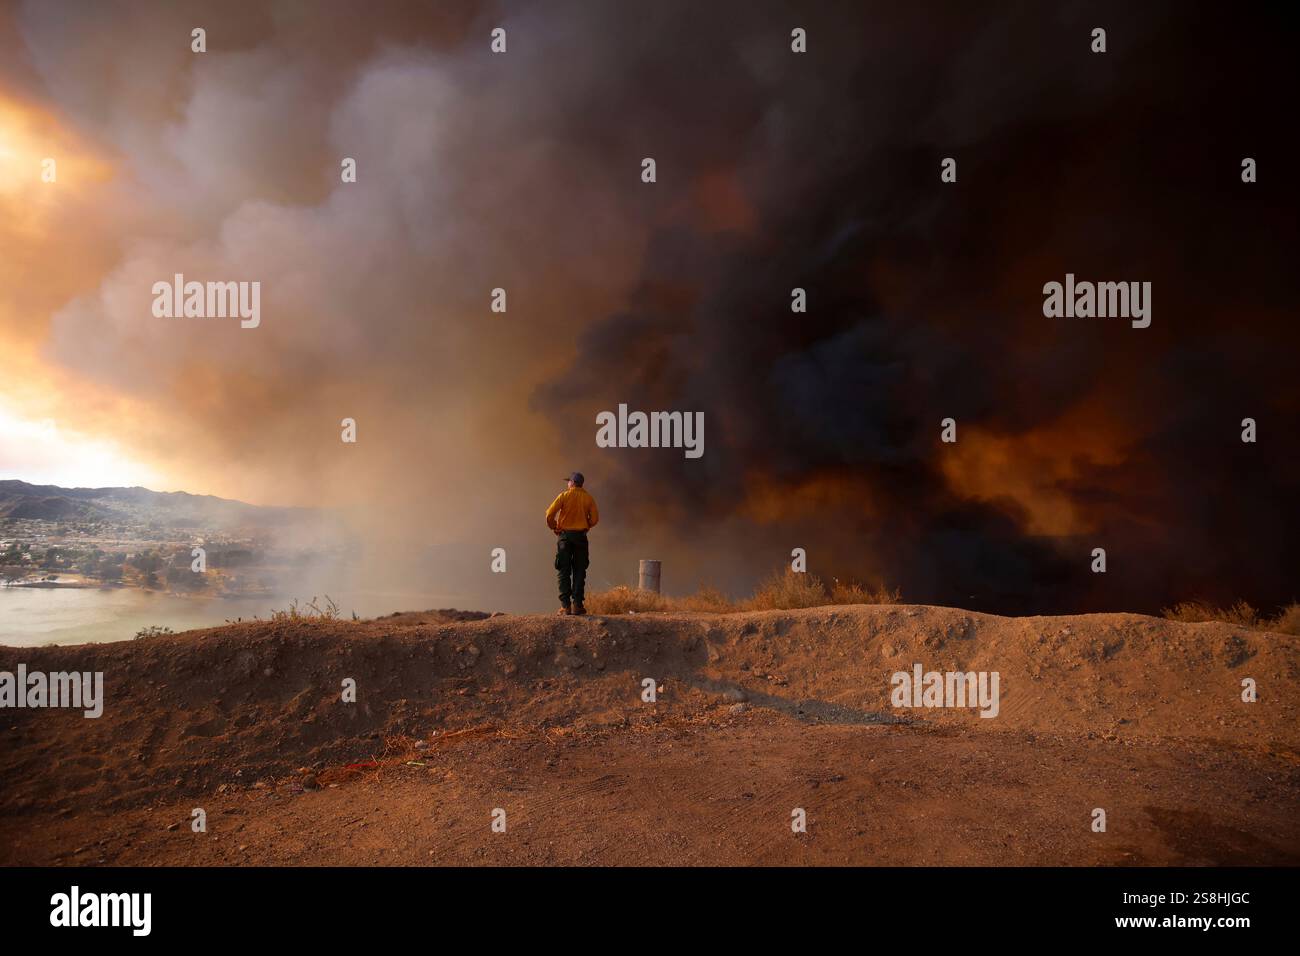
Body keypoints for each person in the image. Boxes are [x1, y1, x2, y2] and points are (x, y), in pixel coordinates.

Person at [545, 472, 599, 615]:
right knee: (580, 570)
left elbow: (549, 514)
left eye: (569, 481)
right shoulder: (588, 498)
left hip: (564, 537)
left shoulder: (564, 496)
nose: (567, 483)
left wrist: (554, 526)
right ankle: (577, 605)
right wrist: (585, 525)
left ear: (573, 483)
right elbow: (594, 519)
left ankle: (565, 606)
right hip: (581, 537)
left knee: (564, 570)